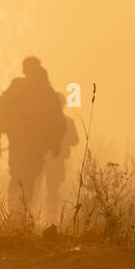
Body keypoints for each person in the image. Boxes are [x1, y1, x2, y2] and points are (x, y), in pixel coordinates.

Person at [0, 57, 66, 210]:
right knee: (27, 179)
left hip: (22, 144)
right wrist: (55, 144)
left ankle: (16, 213)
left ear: (24, 69)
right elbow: (59, 122)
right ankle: (20, 213)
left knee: (18, 178)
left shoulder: (20, 88)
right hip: (33, 146)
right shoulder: (46, 91)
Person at [44, 91, 80, 219]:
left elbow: (75, 140)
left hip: (46, 158)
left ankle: (45, 216)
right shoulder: (68, 121)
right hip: (53, 158)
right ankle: (50, 216)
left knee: (43, 187)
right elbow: (75, 141)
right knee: (52, 188)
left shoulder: (43, 119)